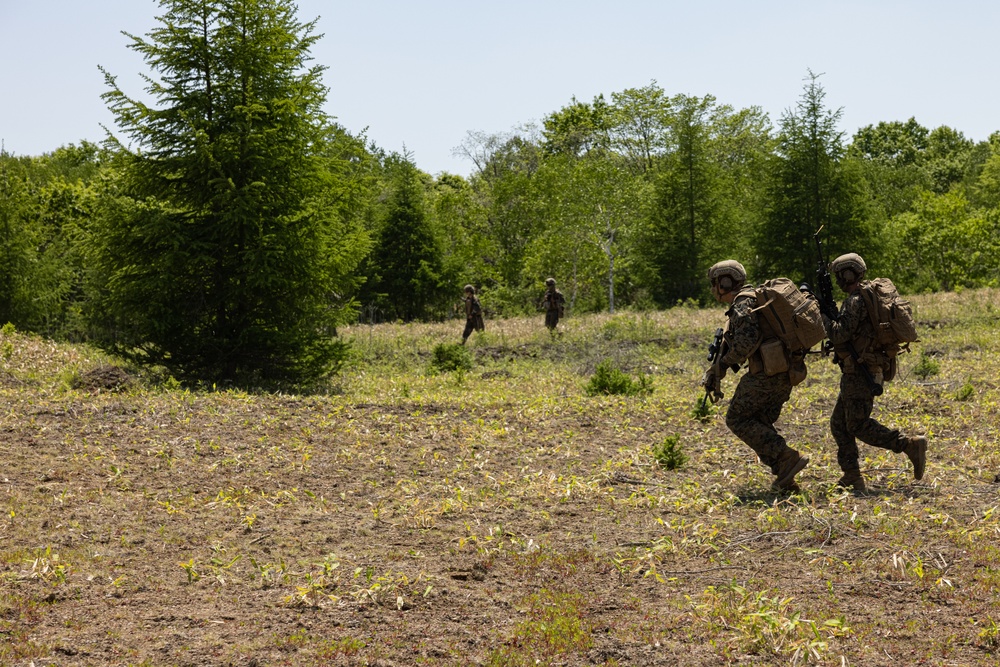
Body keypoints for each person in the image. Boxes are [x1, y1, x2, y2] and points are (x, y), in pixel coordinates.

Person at [821, 253, 927, 492]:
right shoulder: (865, 297)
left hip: (861, 371)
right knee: (839, 424)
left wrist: (824, 316)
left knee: (857, 425)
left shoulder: (856, 300)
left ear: (848, 274)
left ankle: (908, 445)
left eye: (840, 275)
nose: (838, 281)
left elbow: (839, 334)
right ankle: (852, 476)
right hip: (861, 368)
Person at [701, 260, 809, 492]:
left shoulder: (743, 305)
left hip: (767, 375)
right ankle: (785, 475)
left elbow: (746, 342)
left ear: (725, 282)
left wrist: (723, 364)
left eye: (714, 283)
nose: (712, 288)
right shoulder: (753, 299)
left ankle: (787, 457)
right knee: (759, 423)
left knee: (737, 419)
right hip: (784, 373)